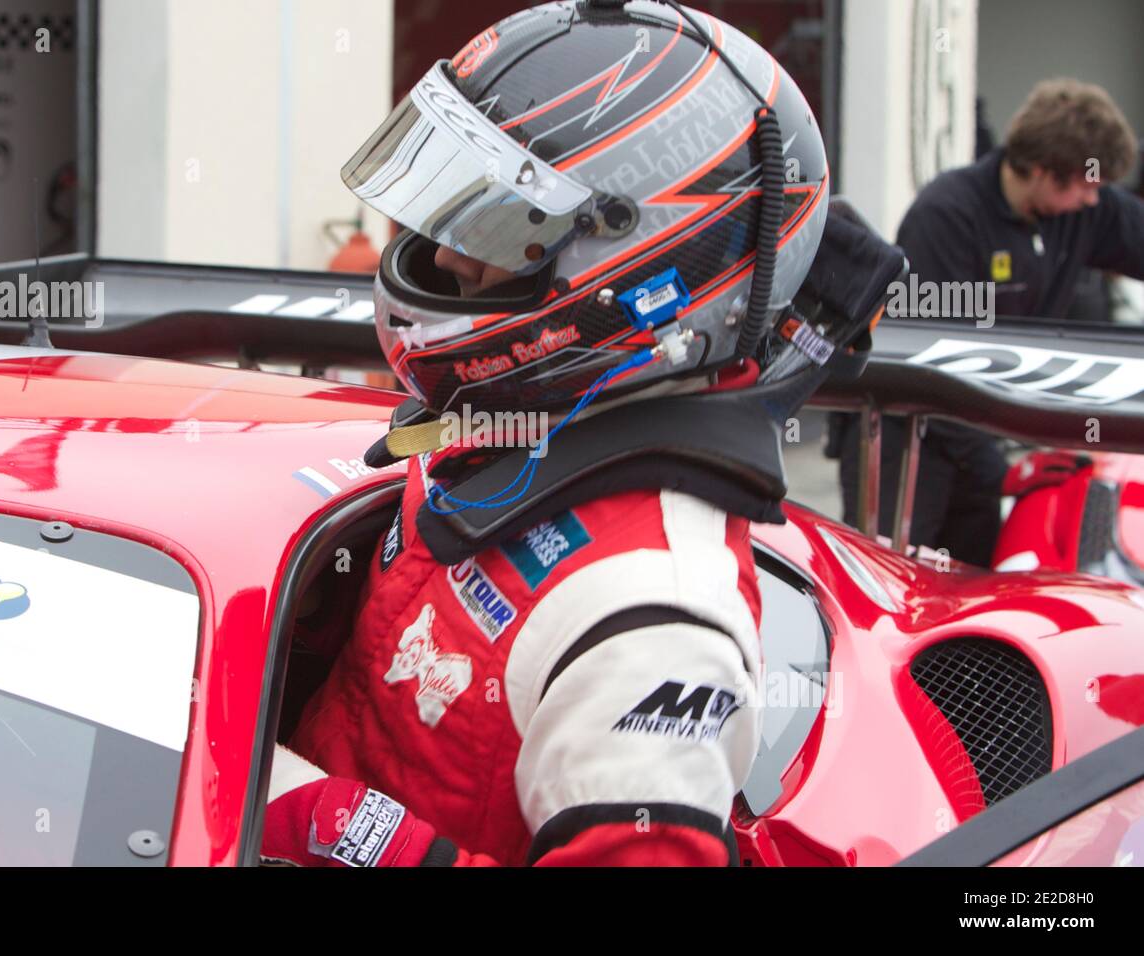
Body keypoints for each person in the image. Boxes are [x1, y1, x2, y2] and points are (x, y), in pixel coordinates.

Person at [260, 0, 896, 867]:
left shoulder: (653, 619)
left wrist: (350, 834)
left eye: (499, 224)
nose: (446, 256)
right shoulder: (504, 432)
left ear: (639, 269)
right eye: (455, 206)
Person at [834, 78, 1144, 566]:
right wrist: (1001, 474)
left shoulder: (1087, 212)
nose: (1093, 200)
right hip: (907, 441)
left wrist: (996, 468)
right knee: (894, 582)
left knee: (972, 588)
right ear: (1043, 172)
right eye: (1088, 185)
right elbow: (933, 365)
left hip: (980, 442)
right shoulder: (947, 217)